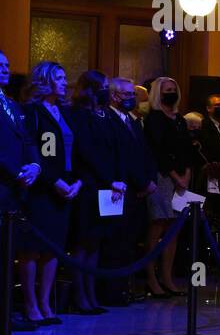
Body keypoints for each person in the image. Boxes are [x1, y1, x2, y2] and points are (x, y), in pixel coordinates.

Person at [18, 61, 81, 325]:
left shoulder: (64, 112)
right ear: (45, 80)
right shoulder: (32, 111)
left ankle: (46, 303)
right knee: (32, 249)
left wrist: (77, 182)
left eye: (65, 77)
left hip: (65, 187)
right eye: (59, 78)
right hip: (42, 189)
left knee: (53, 249)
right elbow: (33, 152)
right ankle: (30, 304)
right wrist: (52, 180)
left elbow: (74, 151)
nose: (65, 82)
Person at [65, 70, 127, 315]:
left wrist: (119, 179)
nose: (105, 90)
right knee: (83, 243)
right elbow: (87, 152)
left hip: (110, 185)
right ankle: (80, 296)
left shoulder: (104, 115)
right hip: (90, 185)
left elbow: (117, 148)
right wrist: (110, 179)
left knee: (96, 244)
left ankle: (91, 294)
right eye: (102, 86)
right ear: (91, 88)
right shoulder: (78, 114)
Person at [100, 76, 155, 306]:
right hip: (119, 189)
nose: (132, 98)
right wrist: (140, 182)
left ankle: (127, 288)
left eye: (133, 94)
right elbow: (121, 158)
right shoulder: (107, 119)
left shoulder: (132, 121)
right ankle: (113, 292)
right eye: (128, 94)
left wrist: (149, 181)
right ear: (114, 96)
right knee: (115, 242)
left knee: (131, 240)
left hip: (136, 192)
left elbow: (144, 153)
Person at [0, 51, 41, 330]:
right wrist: (16, 172)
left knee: (7, 255)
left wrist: (35, 166)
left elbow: (27, 140)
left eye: (6, 64)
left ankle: (6, 312)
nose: (5, 69)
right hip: (4, 184)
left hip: (15, 192)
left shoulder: (12, 104)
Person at [143, 76, 190, 296]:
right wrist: (175, 175)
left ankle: (168, 277)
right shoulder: (154, 118)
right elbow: (158, 150)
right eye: (166, 90)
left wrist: (186, 173)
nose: (170, 93)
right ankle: (151, 279)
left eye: (173, 89)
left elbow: (186, 148)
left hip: (181, 176)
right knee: (158, 225)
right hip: (162, 176)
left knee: (174, 228)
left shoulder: (179, 118)